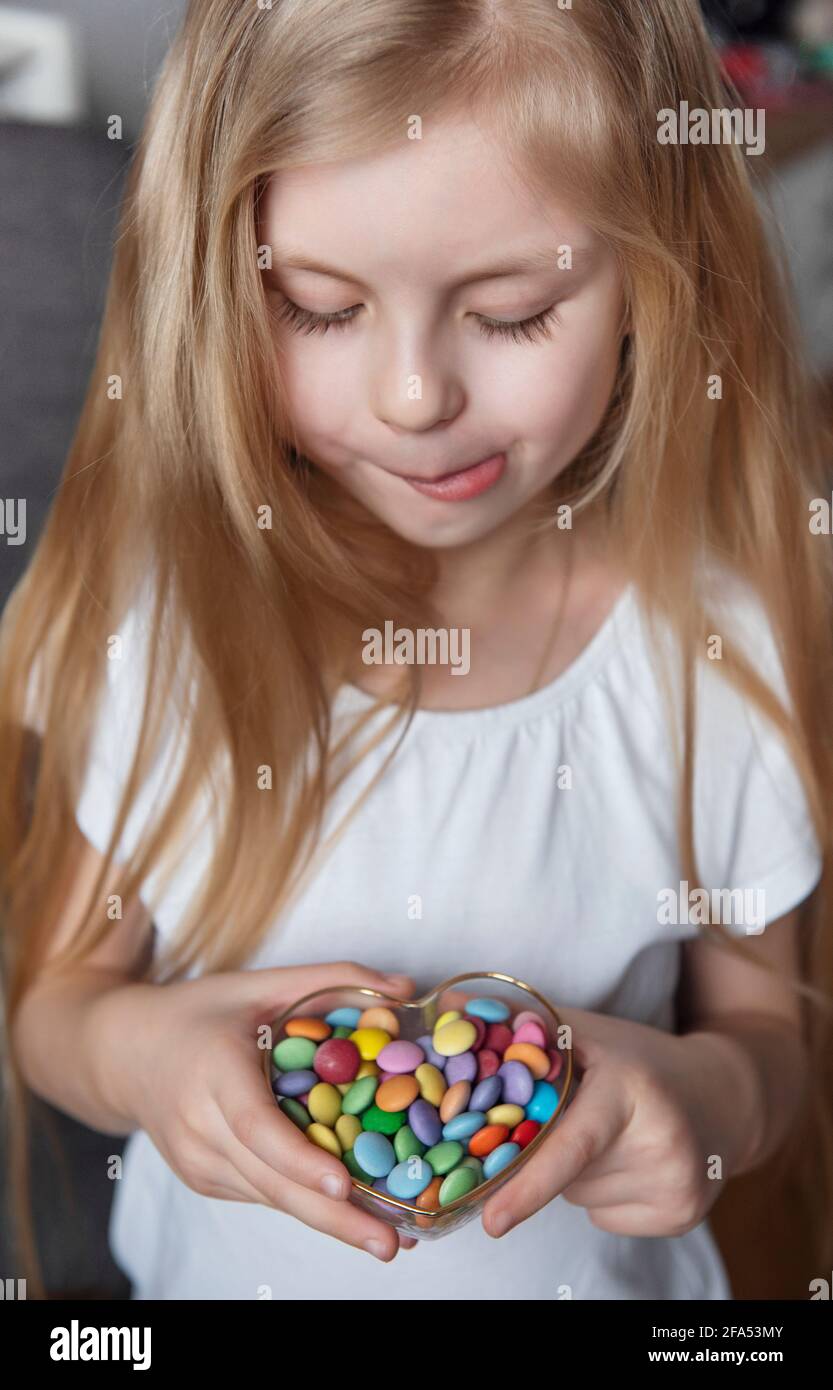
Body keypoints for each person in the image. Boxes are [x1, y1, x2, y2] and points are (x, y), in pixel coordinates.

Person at [1, 0, 831, 1301]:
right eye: (317, 307)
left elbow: (765, 1033)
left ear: (658, 274)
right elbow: (58, 1009)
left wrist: (707, 1098)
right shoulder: (166, 628)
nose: (411, 397)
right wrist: (145, 1053)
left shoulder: (709, 652)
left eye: (511, 311)